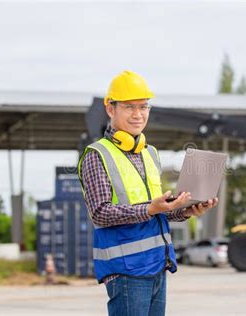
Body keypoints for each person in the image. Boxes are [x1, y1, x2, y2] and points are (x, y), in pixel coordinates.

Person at [78, 70, 219, 316]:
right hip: (126, 270)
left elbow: (158, 212)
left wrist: (185, 209)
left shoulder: (150, 153)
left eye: (143, 107)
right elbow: (100, 213)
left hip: (157, 264)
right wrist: (151, 208)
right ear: (110, 109)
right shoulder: (97, 155)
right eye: (129, 107)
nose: (138, 114)